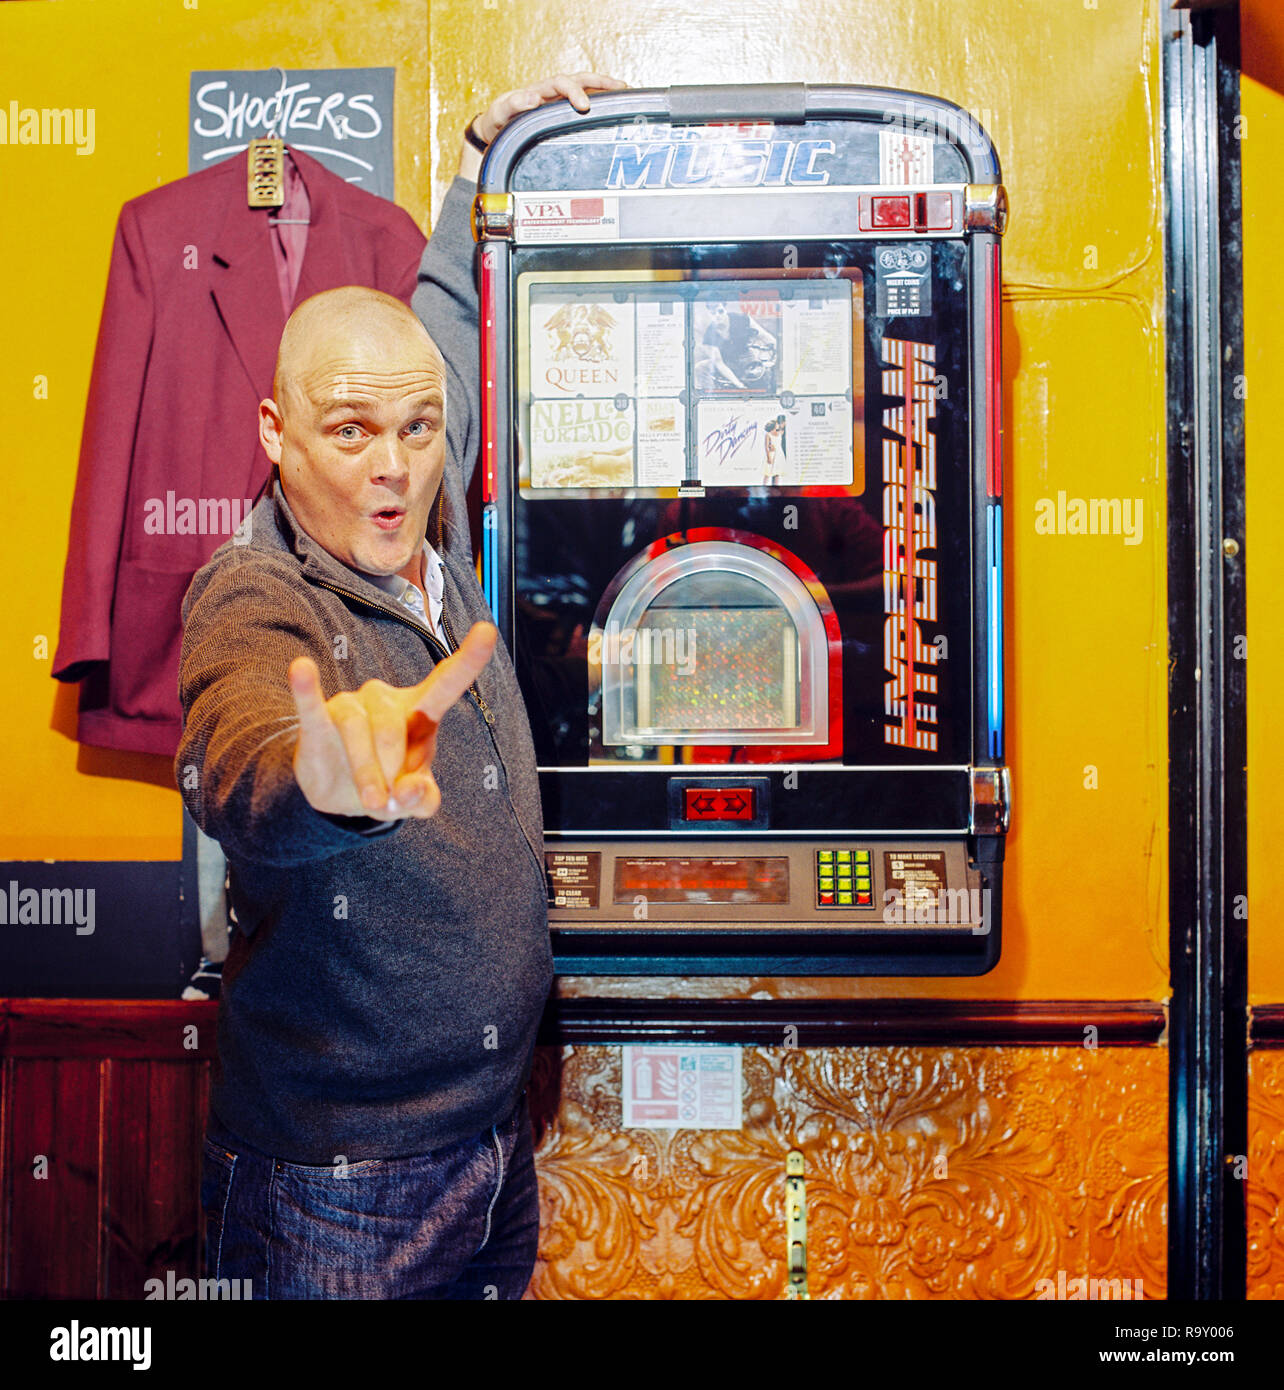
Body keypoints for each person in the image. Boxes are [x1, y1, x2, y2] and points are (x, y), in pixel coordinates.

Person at [177, 72, 626, 1301]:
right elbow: (242, 742)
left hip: (489, 1145)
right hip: (335, 1186)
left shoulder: (429, 502)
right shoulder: (254, 594)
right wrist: (325, 776)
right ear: (274, 432)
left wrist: (481, 152)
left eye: (418, 431)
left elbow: (441, 322)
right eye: (350, 431)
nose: (392, 468)